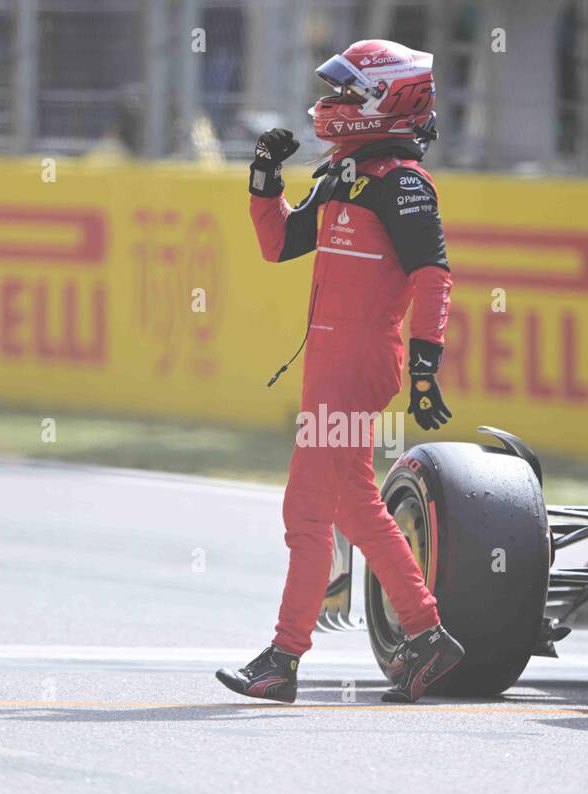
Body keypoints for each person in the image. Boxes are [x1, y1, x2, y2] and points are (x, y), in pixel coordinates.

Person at [216, 39, 464, 705]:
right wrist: (264, 178)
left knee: (306, 511)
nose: (334, 105)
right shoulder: (342, 173)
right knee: (355, 505)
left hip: (355, 363)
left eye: (351, 94)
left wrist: (424, 363)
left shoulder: (401, 182)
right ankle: (426, 635)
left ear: (387, 100)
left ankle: (284, 657)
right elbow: (277, 246)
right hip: (330, 363)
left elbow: (434, 277)